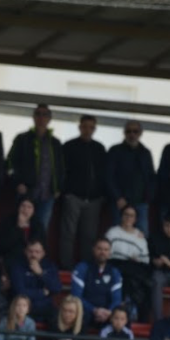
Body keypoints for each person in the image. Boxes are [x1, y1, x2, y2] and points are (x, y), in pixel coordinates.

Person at [7, 103, 63, 240]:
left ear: (50, 119)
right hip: (26, 192)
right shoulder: (22, 139)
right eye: (38, 114)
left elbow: (61, 167)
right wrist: (18, 182)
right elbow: (9, 163)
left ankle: (37, 260)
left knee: (42, 227)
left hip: (47, 194)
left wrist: (58, 188)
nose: (41, 118)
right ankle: (18, 257)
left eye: (45, 115)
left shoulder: (55, 143)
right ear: (33, 117)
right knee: (21, 226)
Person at [59, 114, 107, 270]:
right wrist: (66, 192)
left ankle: (86, 268)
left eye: (91, 127)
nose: (88, 130)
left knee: (89, 237)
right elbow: (61, 172)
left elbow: (103, 174)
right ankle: (66, 266)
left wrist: (101, 195)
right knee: (68, 234)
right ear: (80, 127)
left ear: (95, 129)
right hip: (73, 196)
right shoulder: (69, 146)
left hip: (94, 200)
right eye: (85, 126)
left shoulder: (99, 148)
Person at [106, 121, 156, 235]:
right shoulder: (115, 151)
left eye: (135, 131)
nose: (132, 134)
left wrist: (148, 197)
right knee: (117, 235)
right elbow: (108, 176)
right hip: (120, 202)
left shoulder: (145, 153)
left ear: (140, 133)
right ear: (124, 133)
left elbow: (151, 177)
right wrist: (117, 197)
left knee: (142, 235)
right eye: (128, 131)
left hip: (141, 202)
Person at [106, 204, 150, 320]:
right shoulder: (112, 232)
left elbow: (146, 260)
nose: (128, 218)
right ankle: (124, 309)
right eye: (126, 215)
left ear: (135, 219)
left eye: (132, 216)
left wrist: (138, 259)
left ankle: (135, 313)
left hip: (134, 266)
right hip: (115, 263)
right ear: (121, 216)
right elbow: (106, 252)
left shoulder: (140, 237)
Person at [70, 238, 122, 330]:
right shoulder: (82, 267)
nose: (102, 252)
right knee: (79, 315)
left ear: (110, 252)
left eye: (106, 250)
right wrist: (94, 310)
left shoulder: (114, 272)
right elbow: (76, 296)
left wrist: (109, 312)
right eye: (99, 249)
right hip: (86, 310)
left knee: (122, 318)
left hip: (107, 313)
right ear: (93, 249)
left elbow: (117, 299)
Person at [9, 238, 62, 325]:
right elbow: (20, 292)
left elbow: (57, 288)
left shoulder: (49, 266)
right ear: (25, 252)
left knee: (57, 318)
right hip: (24, 307)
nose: (33, 255)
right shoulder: (17, 266)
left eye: (37, 252)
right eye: (30, 251)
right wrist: (42, 293)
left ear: (43, 253)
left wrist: (41, 273)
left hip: (45, 307)